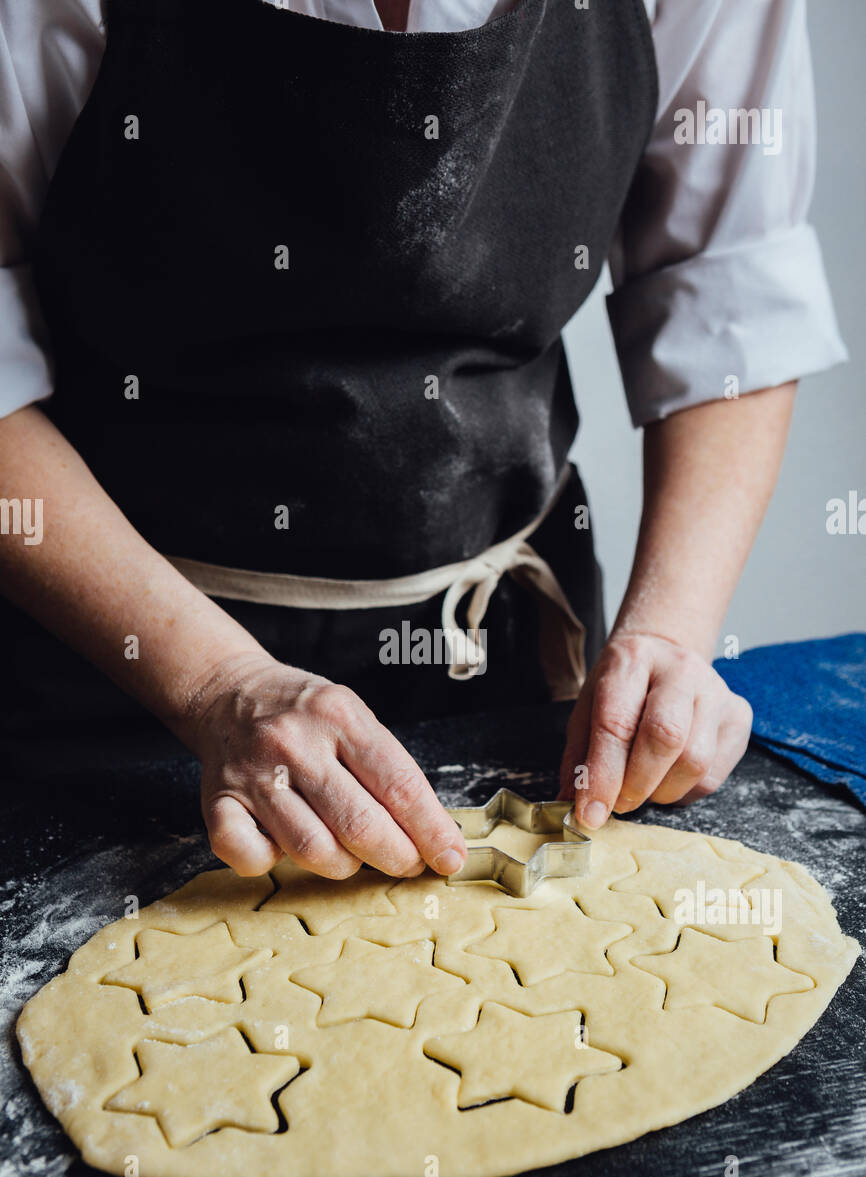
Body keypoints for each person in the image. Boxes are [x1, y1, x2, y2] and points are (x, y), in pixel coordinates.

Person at [0, 0, 846, 883]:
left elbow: (724, 285)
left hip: (510, 668)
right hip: (114, 680)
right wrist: (214, 684)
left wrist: (671, 632)